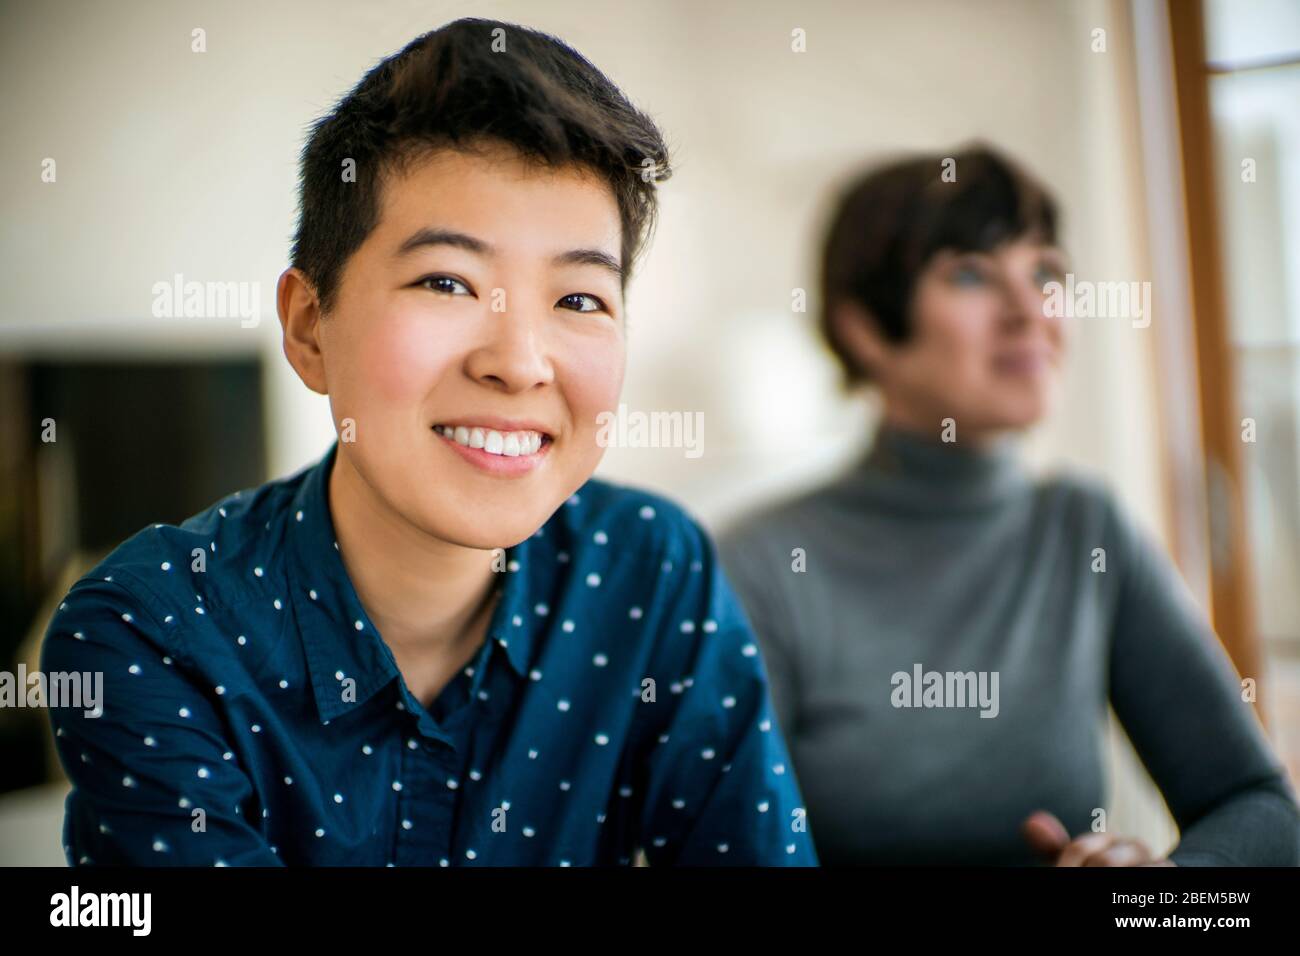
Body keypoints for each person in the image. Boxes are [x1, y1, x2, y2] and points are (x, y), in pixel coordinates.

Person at [40, 18, 815, 867]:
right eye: (446, 282)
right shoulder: (153, 629)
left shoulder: (651, 569)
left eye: (580, 299)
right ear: (308, 328)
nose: (520, 364)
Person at [718, 145, 1300, 866]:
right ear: (865, 329)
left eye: (1046, 272)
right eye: (970, 275)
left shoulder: (1086, 530)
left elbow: (1258, 805)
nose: (1030, 310)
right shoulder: (759, 566)